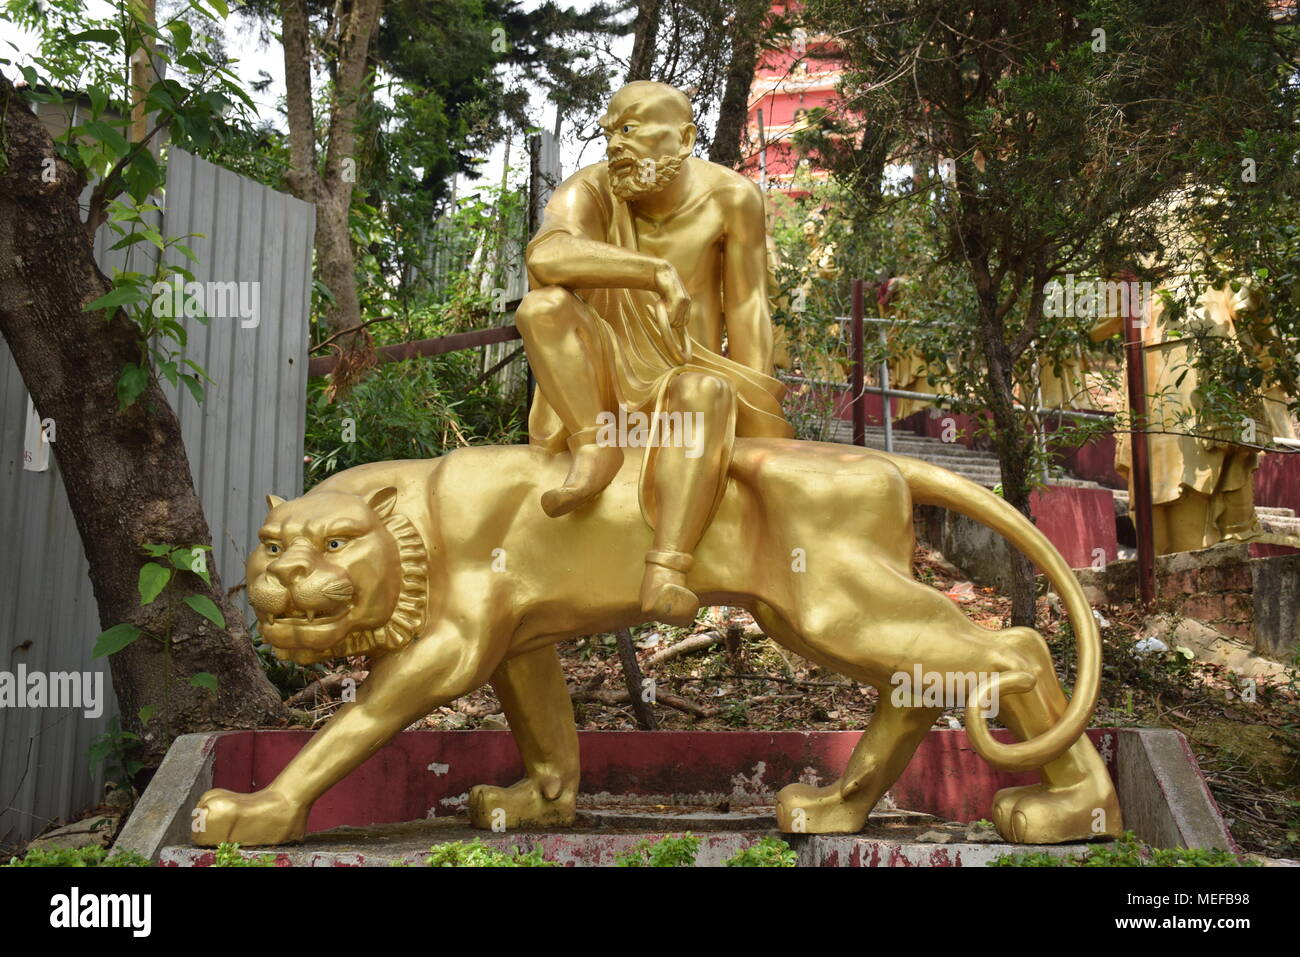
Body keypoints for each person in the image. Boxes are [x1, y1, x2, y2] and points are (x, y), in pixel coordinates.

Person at [517, 81, 794, 624]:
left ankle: (665, 568)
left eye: (630, 128)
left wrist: (759, 406)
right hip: (596, 381)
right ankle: (596, 449)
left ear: (685, 137)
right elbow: (546, 257)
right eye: (609, 132)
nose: (616, 143)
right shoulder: (593, 189)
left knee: (706, 390)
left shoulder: (731, 196)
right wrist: (653, 272)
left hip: (685, 372)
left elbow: (746, 305)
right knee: (541, 308)